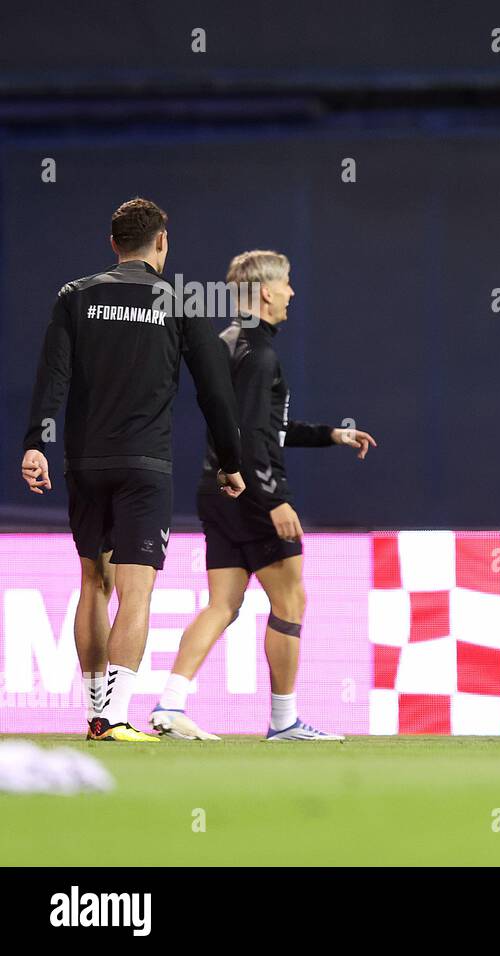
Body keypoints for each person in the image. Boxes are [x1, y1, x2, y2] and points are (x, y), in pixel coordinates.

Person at [20, 197, 245, 742]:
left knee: (92, 583)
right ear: (161, 242)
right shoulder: (181, 301)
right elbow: (214, 392)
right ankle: (113, 716)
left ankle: (96, 713)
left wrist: (35, 445)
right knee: (135, 590)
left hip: (85, 462)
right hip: (145, 464)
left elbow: (52, 376)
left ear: (112, 242)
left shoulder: (75, 296)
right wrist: (230, 461)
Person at [147, 250, 377, 742]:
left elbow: (262, 428)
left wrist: (330, 435)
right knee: (291, 598)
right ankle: (283, 721)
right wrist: (274, 498)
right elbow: (253, 438)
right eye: (287, 284)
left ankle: (169, 704)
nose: (293, 293)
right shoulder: (262, 354)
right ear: (267, 292)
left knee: (223, 604)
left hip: (216, 488)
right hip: (253, 491)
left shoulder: (230, 343)